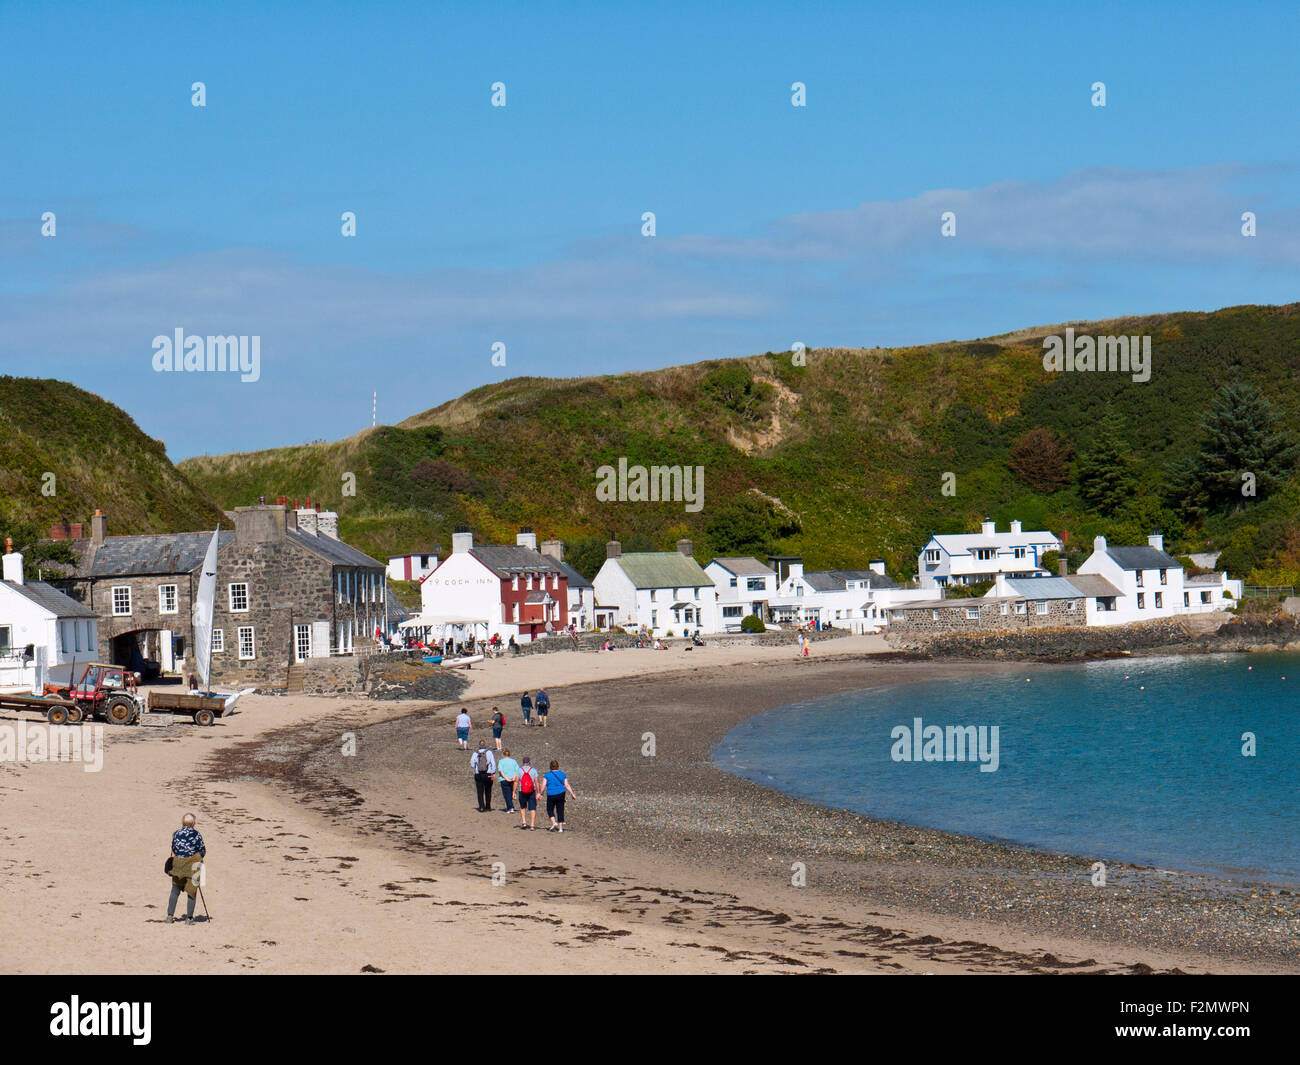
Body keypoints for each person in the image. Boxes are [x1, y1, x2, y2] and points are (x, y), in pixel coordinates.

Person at [166, 813, 206, 923]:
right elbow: (202, 850)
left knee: (175, 891)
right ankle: (189, 918)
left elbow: (174, 848)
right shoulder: (197, 834)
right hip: (193, 865)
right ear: (193, 823)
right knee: (192, 892)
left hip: (178, 863)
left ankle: (170, 916)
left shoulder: (176, 833)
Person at [542, 760, 576, 832]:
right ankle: (560, 829)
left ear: (550, 766)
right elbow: (566, 785)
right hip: (561, 793)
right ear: (558, 766)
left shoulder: (547, 775)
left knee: (549, 809)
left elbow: (543, 785)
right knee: (560, 810)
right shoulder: (562, 774)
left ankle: (554, 822)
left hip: (551, 794)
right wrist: (572, 794)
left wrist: (540, 793)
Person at [471, 741, 497, 811]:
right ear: (485, 745)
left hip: (478, 774)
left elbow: (472, 764)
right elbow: (493, 764)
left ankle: (481, 807)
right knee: (488, 790)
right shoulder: (489, 752)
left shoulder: (475, 753)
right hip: (488, 774)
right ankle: (488, 806)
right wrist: (493, 772)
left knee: (480, 791)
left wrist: (477, 767)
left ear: (479, 745)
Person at [517, 756, 539, 830]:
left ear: (523, 762)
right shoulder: (533, 770)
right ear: (529, 762)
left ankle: (524, 822)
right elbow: (536, 782)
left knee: (523, 807)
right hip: (531, 791)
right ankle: (532, 825)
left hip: (522, 790)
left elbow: (516, 781)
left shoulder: (519, 770)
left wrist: (513, 792)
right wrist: (538, 792)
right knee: (532, 807)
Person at [496, 748, 520, 814]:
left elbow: (501, 771)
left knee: (506, 794)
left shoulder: (501, 761)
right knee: (510, 793)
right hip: (512, 779)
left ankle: (511, 807)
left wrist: (506, 778)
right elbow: (517, 770)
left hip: (504, 780)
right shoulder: (514, 761)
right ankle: (509, 807)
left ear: (503, 754)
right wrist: (514, 777)